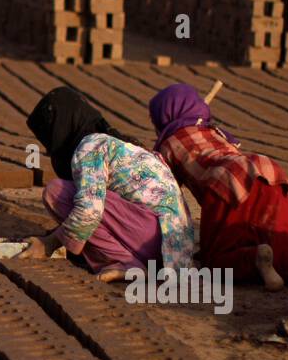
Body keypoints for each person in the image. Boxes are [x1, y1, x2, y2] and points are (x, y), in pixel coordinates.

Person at [149, 83, 288, 293]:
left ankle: (254, 257)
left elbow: (168, 196)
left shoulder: (168, 144)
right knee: (283, 258)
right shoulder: (216, 132)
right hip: (269, 171)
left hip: (226, 179)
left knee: (214, 262)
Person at [16, 86, 193, 280]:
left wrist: (49, 243)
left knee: (57, 191)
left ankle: (126, 263)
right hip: (175, 251)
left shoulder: (90, 147)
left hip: (151, 241)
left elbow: (89, 212)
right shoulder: (123, 145)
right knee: (83, 208)